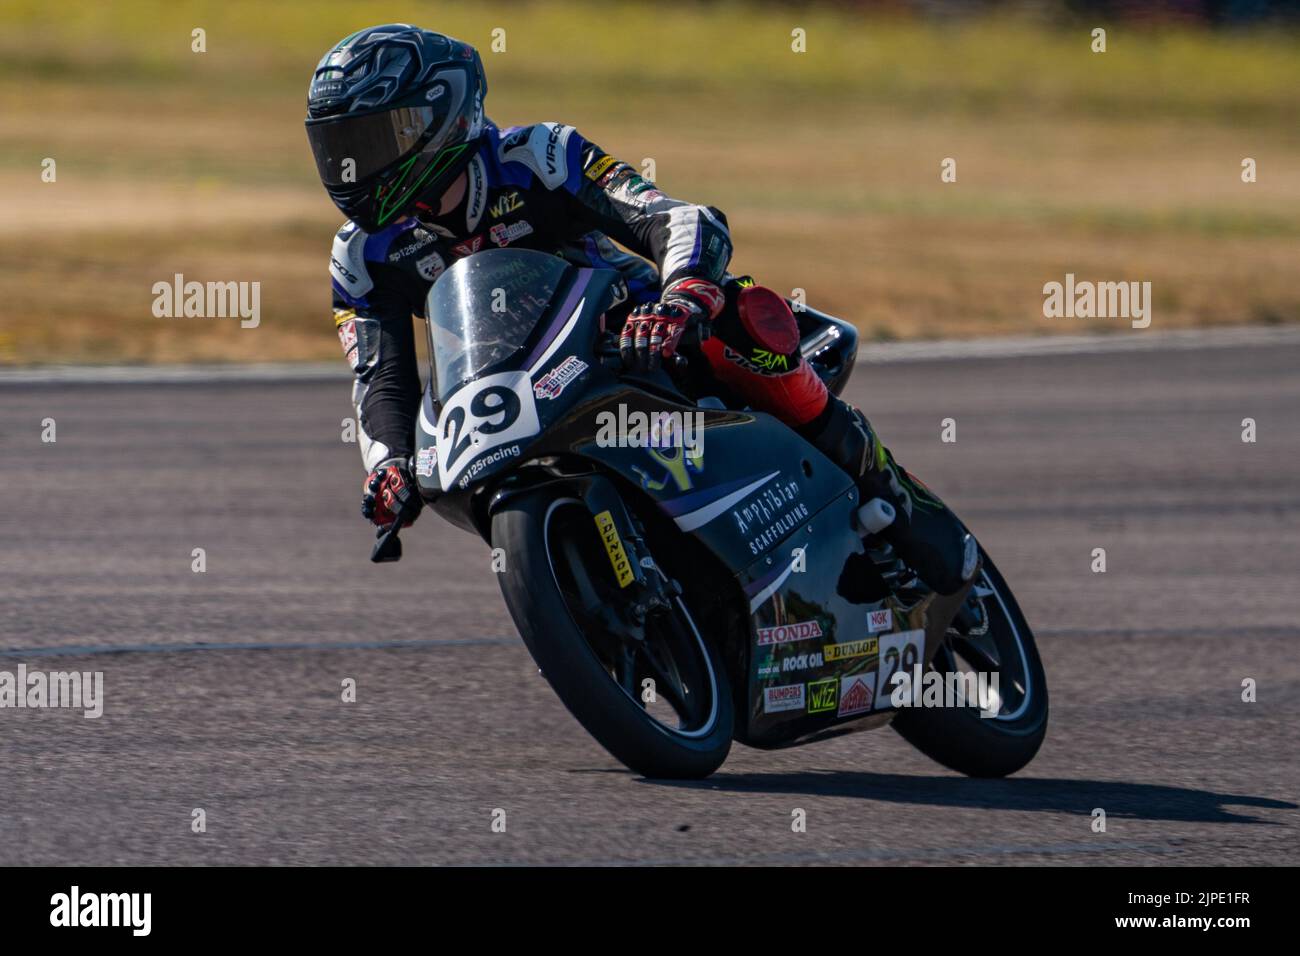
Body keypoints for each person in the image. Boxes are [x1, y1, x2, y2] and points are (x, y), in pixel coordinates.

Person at [305, 24, 975, 594]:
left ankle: (885, 487)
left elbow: (679, 220)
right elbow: (381, 378)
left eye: (370, 143)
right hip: (512, 398)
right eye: (339, 151)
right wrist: (388, 463)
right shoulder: (364, 256)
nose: (353, 170)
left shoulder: (538, 157)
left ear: (438, 117)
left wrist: (682, 296)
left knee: (746, 320)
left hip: (636, 337)